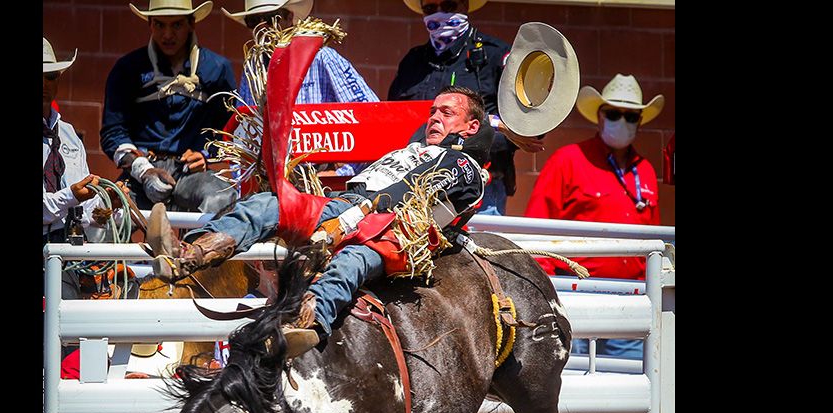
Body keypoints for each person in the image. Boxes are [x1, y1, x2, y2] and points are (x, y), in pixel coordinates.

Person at [146, 85, 490, 357]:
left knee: (352, 261)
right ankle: (188, 255)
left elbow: (412, 192)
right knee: (268, 205)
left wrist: (350, 220)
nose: (434, 118)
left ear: (471, 126)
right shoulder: (410, 150)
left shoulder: (465, 167)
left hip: (394, 231)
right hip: (346, 205)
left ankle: (305, 324)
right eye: (432, 112)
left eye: (446, 113)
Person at [524, 73, 665, 359]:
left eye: (630, 116)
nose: (622, 122)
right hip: (576, 295)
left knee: (628, 381)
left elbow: (653, 239)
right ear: (599, 116)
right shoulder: (568, 160)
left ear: (639, 122)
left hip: (632, 299)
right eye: (613, 114)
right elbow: (537, 227)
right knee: (573, 377)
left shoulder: (646, 171)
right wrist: (547, 291)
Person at [387, 0, 544, 215]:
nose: (440, 14)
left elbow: (529, 123)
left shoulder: (496, 55)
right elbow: (393, 118)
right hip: (414, 183)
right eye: (430, 8)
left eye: (449, 6)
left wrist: (489, 130)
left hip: (479, 185)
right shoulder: (412, 61)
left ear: (465, 5)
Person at [100, 1, 238, 215]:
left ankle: (200, 239)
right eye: (160, 25)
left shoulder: (216, 68)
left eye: (177, 25)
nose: (167, 34)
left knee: (222, 198)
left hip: (191, 174)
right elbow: (113, 132)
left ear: (191, 24)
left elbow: (226, 129)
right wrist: (142, 169)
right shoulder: (128, 69)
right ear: (150, 24)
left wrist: (204, 154)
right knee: (104, 213)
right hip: (141, 171)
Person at [223, 0, 379, 179]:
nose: (262, 28)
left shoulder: (322, 58)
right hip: (268, 179)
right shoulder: (253, 69)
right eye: (253, 21)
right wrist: (242, 180)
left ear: (289, 18)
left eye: (271, 19)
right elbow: (242, 133)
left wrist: (342, 173)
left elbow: (371, 117)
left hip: (319, 179)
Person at [43, 37, 130, 299]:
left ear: (58, 79)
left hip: (70, 252)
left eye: (50, 77)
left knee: (127, 289)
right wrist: (71, 195)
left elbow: (85, 212)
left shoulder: (68, 135)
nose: (44, 84)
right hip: (51, 253)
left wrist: (108, 203)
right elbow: (66, 200)